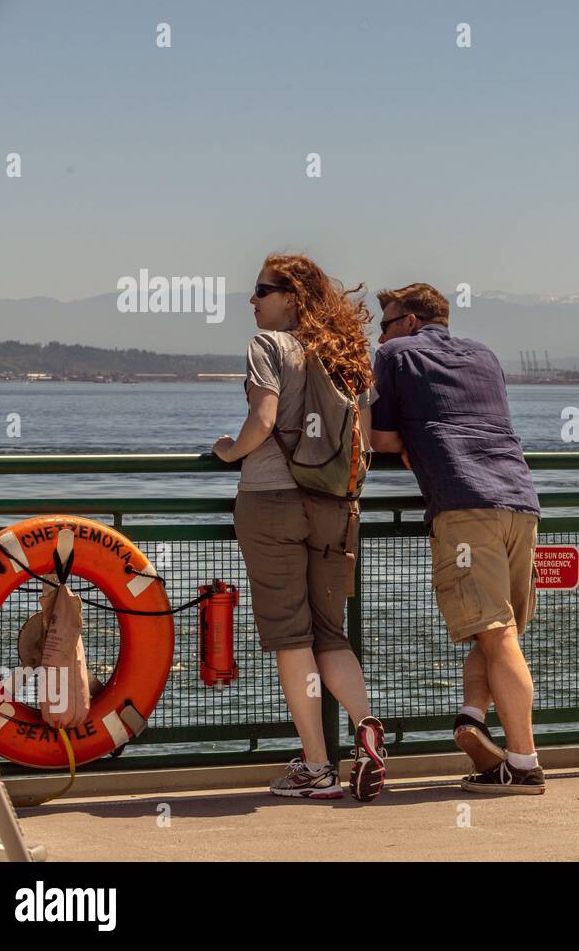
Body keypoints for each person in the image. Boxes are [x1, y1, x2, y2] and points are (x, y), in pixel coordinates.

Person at [212, 253, 387, 802]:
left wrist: (226, 451)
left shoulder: (268, 346)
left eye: (261, 291)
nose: (252, 301)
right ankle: (366, 725)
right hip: (334, 505)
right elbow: (368, 440)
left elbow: (261, 422)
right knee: (329, 633)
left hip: (272, 502)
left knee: (292, 637)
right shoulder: (347, 353)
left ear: (290, 296)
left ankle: (316, 766)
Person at [370, 283, 545, 794]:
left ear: (410, 322)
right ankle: (472, 717)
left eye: (385, 323)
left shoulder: (395, 354)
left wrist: (410, 444)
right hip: (520, 501)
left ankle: (524, 762)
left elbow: (378, 439)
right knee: (499, 629)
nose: (379, 334)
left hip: (463, 503)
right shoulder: (485, 355)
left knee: (496, 632)